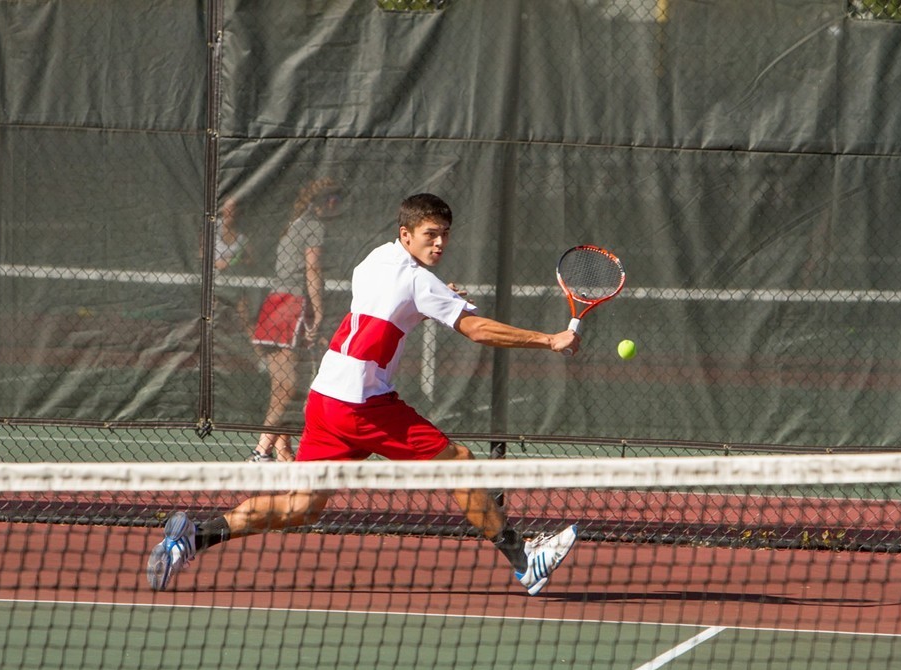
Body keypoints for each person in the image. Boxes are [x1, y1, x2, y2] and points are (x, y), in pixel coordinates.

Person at [147, 193, 582, 596]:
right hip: (362, 405)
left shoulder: (375, 259)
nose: (440, 243)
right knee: (460, 465)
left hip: (326, 396)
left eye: (445, 234)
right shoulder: (420, 282)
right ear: (406, 234)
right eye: (431, 235)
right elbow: (477, 329)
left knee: (301, 508)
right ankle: (525, 561)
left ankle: (194, 538)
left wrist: (440, 294)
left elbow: (398, 297)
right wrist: (549, 340)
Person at [247, 179, 342, 462]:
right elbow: (312, 269)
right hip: (290, 305)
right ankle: (261, 451)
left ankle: (281, 449)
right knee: (289, 385)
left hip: (277, 304)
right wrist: (318, 310)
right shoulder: (313, 225)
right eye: (337, 200)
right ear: (329, 202)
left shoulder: (296, 222)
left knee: (283, 384)